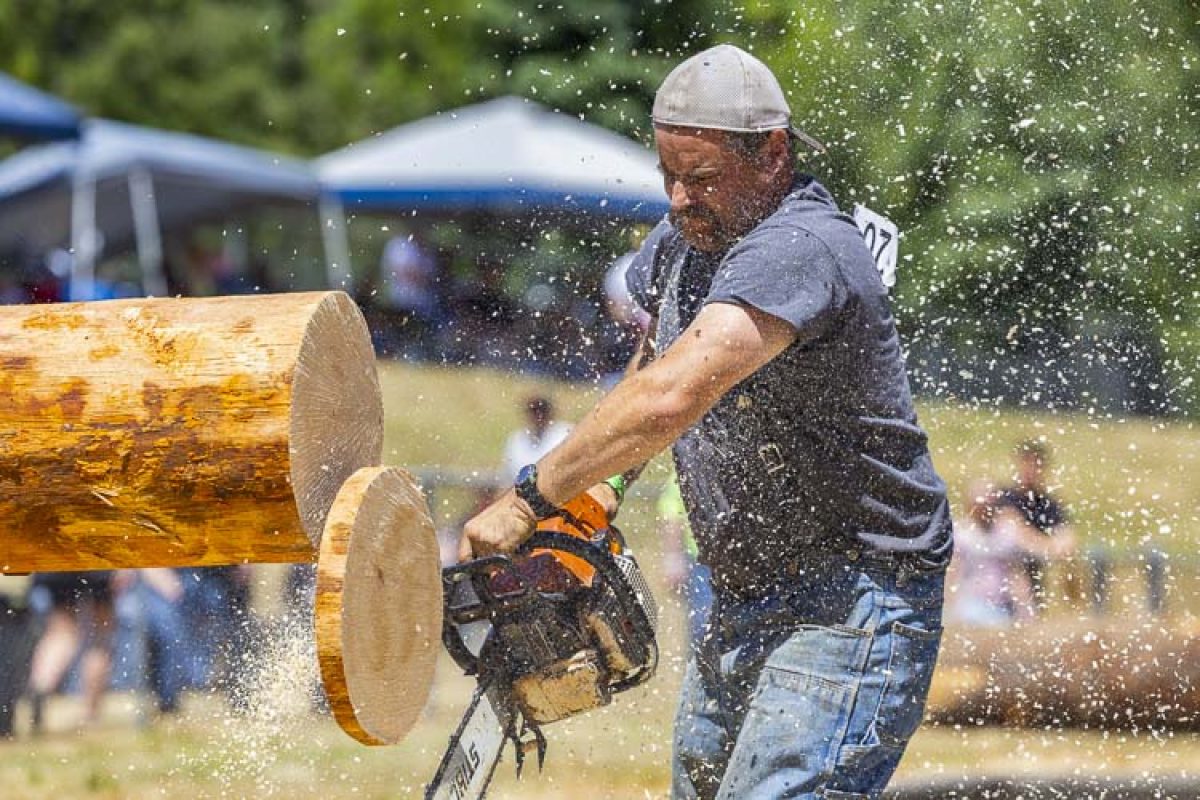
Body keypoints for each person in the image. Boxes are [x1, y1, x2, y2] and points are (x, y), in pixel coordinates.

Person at [459, 44, 953, 798]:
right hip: (744, 590)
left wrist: (532, 497)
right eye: (670, 177)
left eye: (704, 179)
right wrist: (595, 496)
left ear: (773, 154)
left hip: (854, 599)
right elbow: (654, 363)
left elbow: (674, 395)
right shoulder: (693, 241)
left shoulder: (801, 247)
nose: (682, 200)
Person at [27, 570, 118, 732]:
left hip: (61, 564)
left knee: (61, 634)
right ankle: (91, 714)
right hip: (98, 563)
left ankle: (42, 687)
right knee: (99, 638)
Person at [996, 439, 1077, 613]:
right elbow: (1016, 533)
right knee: (1016, 568)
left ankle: (1073, 611)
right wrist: (1050, 548)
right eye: (1028, 463)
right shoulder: (1005, 499)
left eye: (1036, 465)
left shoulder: (1049, 504)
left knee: (1071, 564)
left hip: (1035, 564)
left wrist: (1060, 548)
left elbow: (1067, 540)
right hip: (1006, 570)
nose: (1031, 470)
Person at [947, 481, 1035, 626]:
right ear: (970, 506)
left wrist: (1026, 610)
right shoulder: (962, 534)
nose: (984, 510)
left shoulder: (1006, 532)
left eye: (989, 504)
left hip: (1003, 605)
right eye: (980, 506)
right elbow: (952, 574)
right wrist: (950, 612)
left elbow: (1016, 573)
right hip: (970, 605)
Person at [658, 472, 712, 650]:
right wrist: (673, 560)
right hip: (700, 561)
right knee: (704, 623)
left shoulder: (689, 464)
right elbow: (672, 517)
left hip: (710, 558)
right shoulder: (685, 468)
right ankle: (701, 670)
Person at [499, 395, 572, 482]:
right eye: (534, 411)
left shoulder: (565, 434)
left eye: (542, 411)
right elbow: (507, 478)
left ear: (550, 413)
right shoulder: (516, 440)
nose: (538, 416)